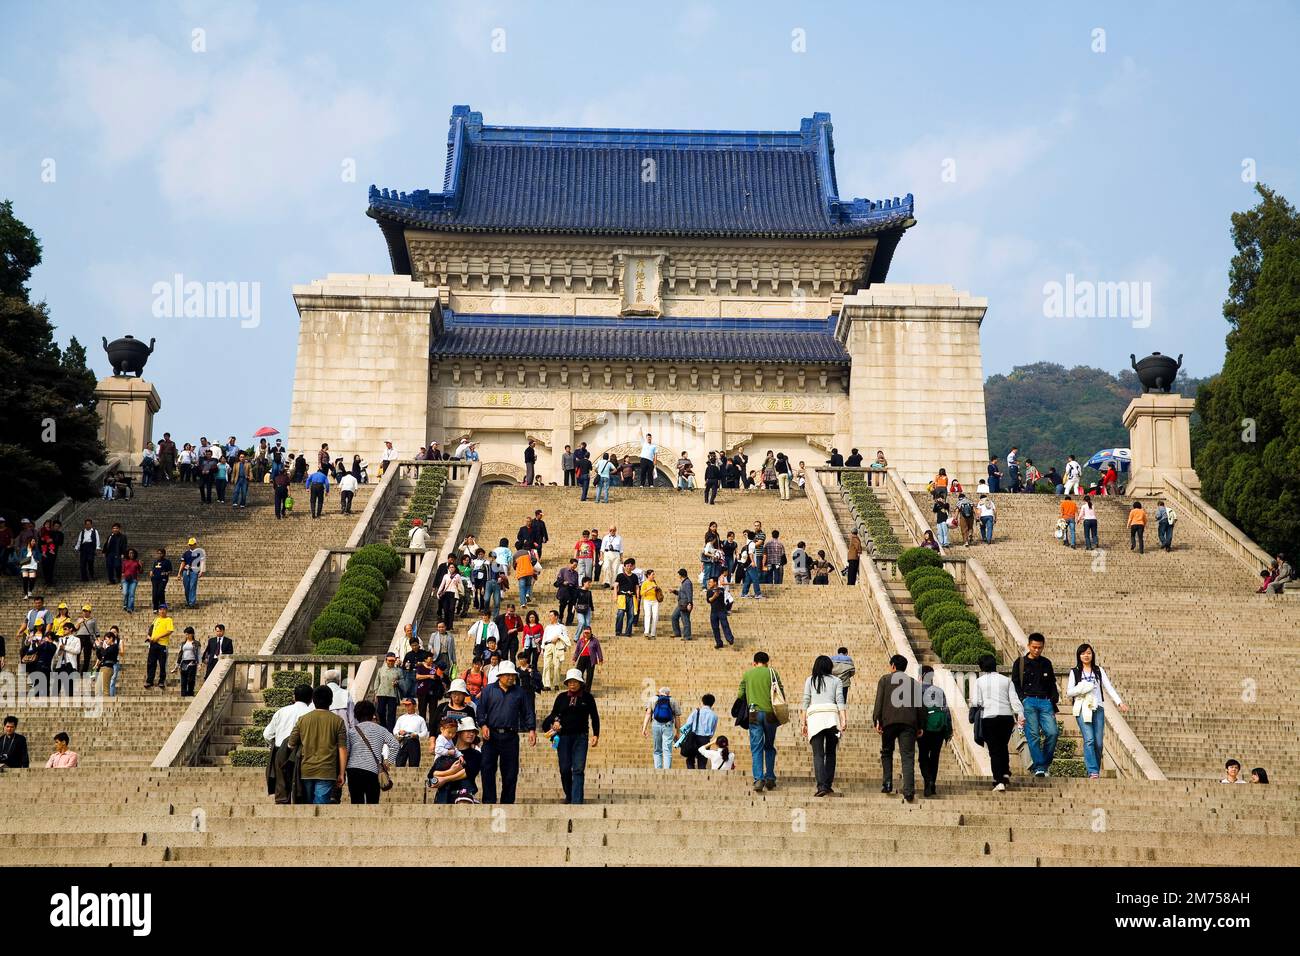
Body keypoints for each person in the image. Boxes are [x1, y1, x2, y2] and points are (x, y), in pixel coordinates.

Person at [475, 661, 537, 804]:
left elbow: (528, 711)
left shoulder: (519, 692)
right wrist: (483, 725)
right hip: (491, 736)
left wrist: (531, 729)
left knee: (510, 772)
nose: (511, 678)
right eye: (508, 675)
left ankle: (507, 802)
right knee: (487, 768)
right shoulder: (488, 690)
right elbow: (481, 710)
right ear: (500, 676)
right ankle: (489, 801)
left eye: (513, 675)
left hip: (510, 736)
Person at [1066, 643, 1127, 779]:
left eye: (1088, 653)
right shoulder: (1075, 671)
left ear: (1092, 654)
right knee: (1089, 740)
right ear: (1079, 656)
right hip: (1082, 708)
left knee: (1098, 742)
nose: (1086, 656)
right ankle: (1093, 771)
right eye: (1083, 653)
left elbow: (1108, 687)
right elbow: (1069, 692)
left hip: (1098, 708)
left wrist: (1119, 702)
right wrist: (1084, 687)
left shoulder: (1098, 670)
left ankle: (1095, 769)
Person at [542, 668, 600, 804]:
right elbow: (553, 714)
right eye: (570, 682)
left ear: (581, 683)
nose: (572, 684)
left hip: (581, 737)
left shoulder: (588, 698)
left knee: (578, 769)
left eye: (575, 682)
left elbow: (595, 717)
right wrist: (555, 721)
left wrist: (596, 734)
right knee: (564, 768)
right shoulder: (561, 697)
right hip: (563, 738)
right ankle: (569, 795)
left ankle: (576, 802)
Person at [872, 654, 924, 802]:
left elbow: (879, 702)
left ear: (893, 665)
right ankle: (908, 790)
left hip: (889, 722)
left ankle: (887, 783)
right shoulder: (914, 683)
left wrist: (877, 720)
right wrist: (920, 725)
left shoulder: (885, 680)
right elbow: (919, 706)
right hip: (909, 723)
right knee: (907, 756)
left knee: (887, 752)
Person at [970, 653, 1024, 791]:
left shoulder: (979, 681)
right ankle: (1005, 773)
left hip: (989, 717)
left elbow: (976, 701)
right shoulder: (1006, 680)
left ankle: (998, 780)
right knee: (1003, 746)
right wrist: (1020, 715)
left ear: (981, 667)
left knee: (994, 750)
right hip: (1006, 718)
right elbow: (1014, 700)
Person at [287, 685, 348, 805]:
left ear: (313, 701)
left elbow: (291, 744)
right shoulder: (338, 721)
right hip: (327, 771)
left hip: (306, 770)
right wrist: (341, 773)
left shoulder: (303, 719)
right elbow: (342, 749)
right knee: (320, 805)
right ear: (331, 701)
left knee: (307, 804)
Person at [1011, 632, 1059, 777]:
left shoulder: (1046, 663)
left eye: (1040, 647)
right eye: (1034, 647)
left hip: (1045, 701)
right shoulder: (1020, 663)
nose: (1037, 650)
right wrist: (1022, 699)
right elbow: (1015, 683)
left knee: (1052, 732)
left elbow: (1052, 683)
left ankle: (1044, 763)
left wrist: (1053, 700)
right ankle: (1039, 766)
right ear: (1028, 646)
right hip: (1028, 701)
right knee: (1033, 735)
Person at [802, 655, 847, 797]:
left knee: (818, 754)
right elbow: (840, 700)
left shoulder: (810, 680)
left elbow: (806, 701)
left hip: (815, 719)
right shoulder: (837, 681)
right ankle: (828, 784)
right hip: (833, 719)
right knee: (831, 752)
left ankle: (821, 785)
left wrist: (803, 722)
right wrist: (843, 719)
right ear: (829, 667)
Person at [739, 651, 784, 791]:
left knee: (756, 747)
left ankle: (758, 779)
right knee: (769, 745)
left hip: (754, 713)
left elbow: (740, 694)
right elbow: (781, 691)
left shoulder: (748, 674)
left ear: (754, 662)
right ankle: (770, 776)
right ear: (767, 662)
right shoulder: (772, 673)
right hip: (771, 713)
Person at [917, 665, 952, 796]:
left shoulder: (915, 690)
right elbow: (946, 711)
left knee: (923, 756)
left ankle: (927, 780)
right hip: (938, 728)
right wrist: (949, 730)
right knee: (935, 756)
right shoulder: (939, 691)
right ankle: (932, 781)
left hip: (923, 729)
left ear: (920, 676)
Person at [642, 686, 681, 769]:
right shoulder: (673, 700)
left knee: (657, 749)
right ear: (668, 693)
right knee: (667, 750)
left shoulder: (652, 699)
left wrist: (644, 728)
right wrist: (678, 732)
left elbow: (648, 714)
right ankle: (667, 770)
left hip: (656, 725)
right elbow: (677, 717)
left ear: (659, 692)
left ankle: (658, 770)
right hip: (668, 725)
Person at [679, 694, 719, 769]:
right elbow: (713, 730)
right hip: (705, 739)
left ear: (702, 702)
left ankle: (690, 774)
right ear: (713, 703)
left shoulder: (696, 712)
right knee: (702, 761)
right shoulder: (714, 716)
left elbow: (688, 724)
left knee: (690, 759)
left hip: (693, 737)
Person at [391, 697, 429, 767]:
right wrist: (399, 732)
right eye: (406, 705)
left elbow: (425, 733)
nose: (407, 707)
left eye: (409, 705)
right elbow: (395, 730)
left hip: (414, 741)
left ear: (415, 705)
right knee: (399, 763)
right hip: (403, 740)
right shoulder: (401, 718)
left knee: (414, 763)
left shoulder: (420, 719)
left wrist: (416, 735)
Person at [540, 611, 572, 690]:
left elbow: (566, 637)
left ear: (556, 616)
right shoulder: (547, 627)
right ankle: (546, 684)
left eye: (551, 616)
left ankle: (556, 683)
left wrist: (558, 636)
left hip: (557, 646)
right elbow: (544, 638)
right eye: (549, 616)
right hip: (548, 645)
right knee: (547, 666)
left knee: (557, 666)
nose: (550, 617)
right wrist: (542, 648)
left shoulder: (562, 627)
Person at [145, 604, 173, 689]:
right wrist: (149, 636)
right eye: (160, 609)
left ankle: (161, 681)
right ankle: (149, 680)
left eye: (164, 609)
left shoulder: (168, 620)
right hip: (153, 643)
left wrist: (158, 637)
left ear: (166, 611)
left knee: (162, 664)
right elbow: (151, 629)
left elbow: (169, 631)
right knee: (151, 663)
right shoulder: (156, 619)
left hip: (162, 645)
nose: (162, 611)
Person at [571, 625, 602, 691]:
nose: (587, 634)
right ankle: (581, 688)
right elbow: (577, 650)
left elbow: (599, 651)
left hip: (591, 659)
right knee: (578, 674)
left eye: (588, 633)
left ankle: (587, 691)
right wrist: (574, 659)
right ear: (583, 633)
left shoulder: (595, 641)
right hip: (582, 658)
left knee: (589, 676)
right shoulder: (580, 640)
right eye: (585, 633)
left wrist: (600, 661)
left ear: (591, 633)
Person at [172, 627, 202, 696]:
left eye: (188, 634)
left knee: (191, 679)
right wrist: (177, 665)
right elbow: (180, 654)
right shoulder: (183, 643)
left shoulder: (196, 643)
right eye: (186, 634)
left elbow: (199, 654)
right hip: (184, 662)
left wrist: (199, 664)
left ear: (192, 634)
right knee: (183, 679)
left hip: (192, 662)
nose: (187, 636)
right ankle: (183, 694)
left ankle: (190, 693)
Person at [706, 576, 735, 648]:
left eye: (710, 582)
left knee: (725, 625)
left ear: (715, 582)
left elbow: (720, 592)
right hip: (713, 612)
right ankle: (719, 642)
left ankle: (730, 638)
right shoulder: (709, 591)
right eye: (709, 582)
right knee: (715, 628)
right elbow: (709, 600)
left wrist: (716, 593)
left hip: (721, 611)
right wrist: (714, 596)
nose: (709, 583)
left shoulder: (721, 589)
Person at [669, 568, 693, 640]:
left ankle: (687, 636)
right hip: (681, 604)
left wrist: (689, 603)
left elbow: (689, 594)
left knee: (685, 620)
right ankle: (677, 633)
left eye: (679, 574)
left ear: (681, 575)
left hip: (685, 604)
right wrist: (674, 591)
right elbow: (681, 593)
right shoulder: (684, 582)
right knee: (674, 617)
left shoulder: (687, 583)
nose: (678, 576)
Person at [640, 569, 662, 638]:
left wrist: (657, 588)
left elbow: (657, 591)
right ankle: (646, 631)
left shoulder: (654, 582)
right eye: (652, 574)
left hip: (655, 601)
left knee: (655, 616)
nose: (654, 576)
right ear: (648, 575)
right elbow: (641, 593)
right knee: (648, 615)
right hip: (647, 601)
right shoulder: (645, 583)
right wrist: (649, 588)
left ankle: (653, 632)